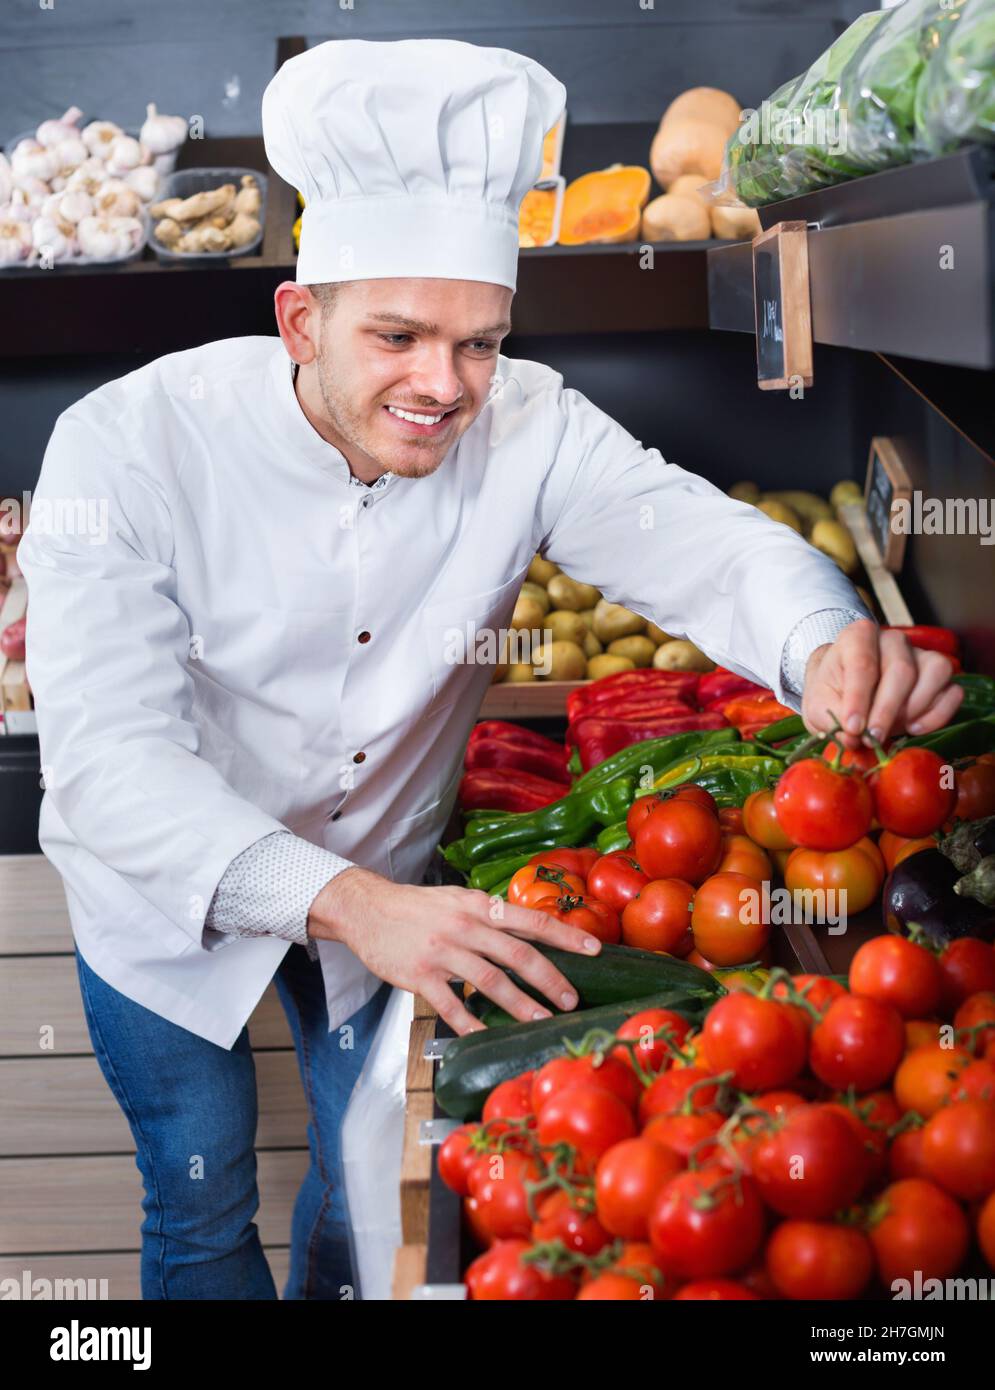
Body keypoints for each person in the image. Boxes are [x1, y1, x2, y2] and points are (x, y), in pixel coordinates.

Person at [17, 38, 961, 1300]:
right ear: (300, 318)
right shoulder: (124, 448)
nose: (442, 385)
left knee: (366, 1190)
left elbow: (707, 545)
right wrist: (350, 902)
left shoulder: (528, 423)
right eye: (399, 335)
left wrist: (819, 640)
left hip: (393, 880)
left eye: (478, 342)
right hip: (163, 898)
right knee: (199, 1195)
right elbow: (113, 763)